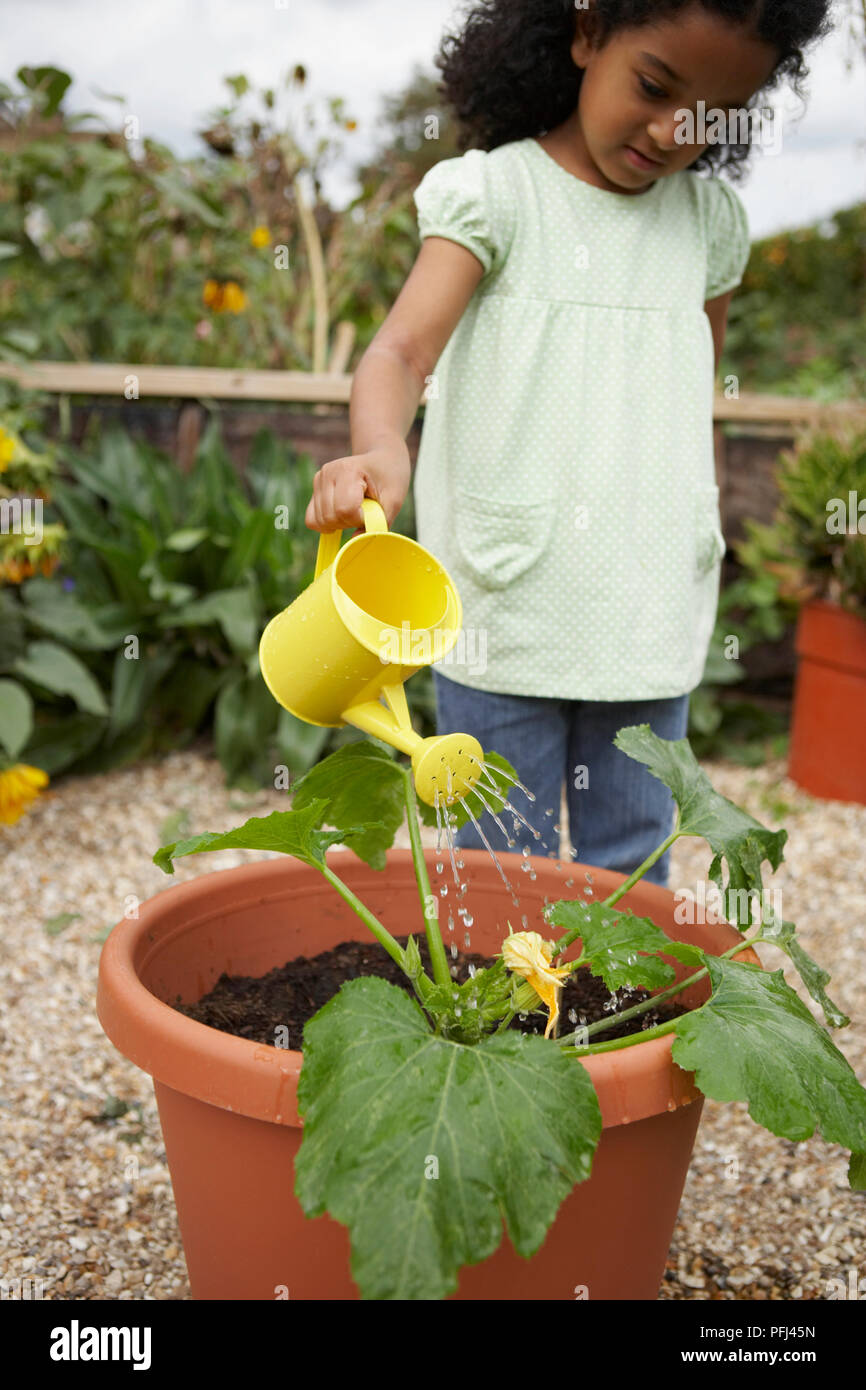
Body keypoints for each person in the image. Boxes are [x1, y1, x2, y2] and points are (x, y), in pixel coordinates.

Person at [304, 0, 833, 885]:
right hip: (502, 600)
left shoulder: (707, 226)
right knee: (496, 868)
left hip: (648, 604)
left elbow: (689, 389)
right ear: (586, 35)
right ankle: (507, 1023)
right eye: (656, 86)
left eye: (713, 114)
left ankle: (618, 1026)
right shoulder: (496, 195)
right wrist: (380, 446)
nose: (673, 130)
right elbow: (399, 352)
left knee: (631, 866)